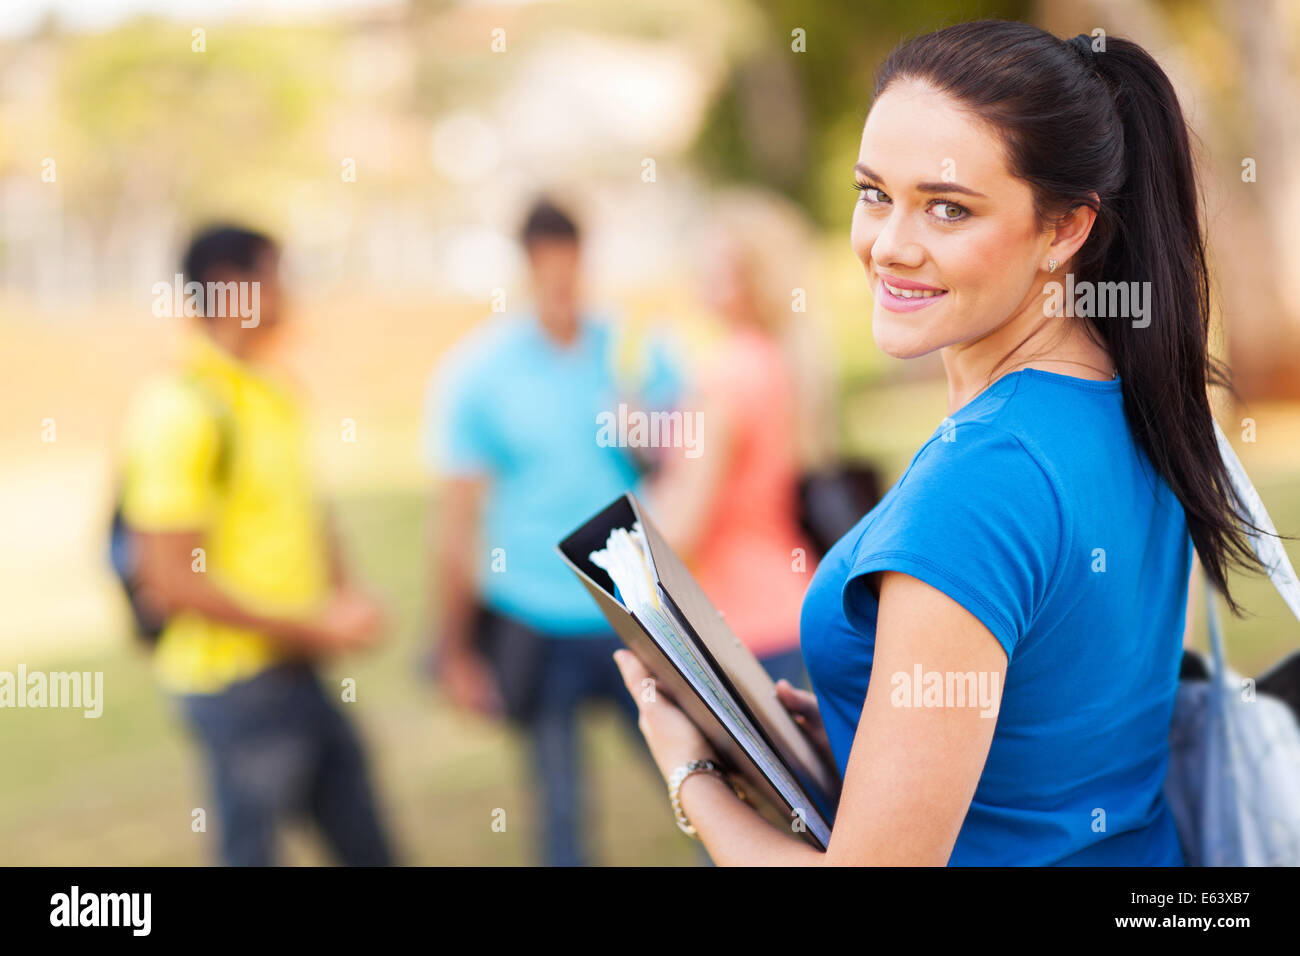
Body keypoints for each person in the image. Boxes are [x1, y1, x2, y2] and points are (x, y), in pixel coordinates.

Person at [613, 21, 1271, 866]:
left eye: (948, 207)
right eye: (874, 193)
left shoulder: (984, 482)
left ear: (1065, 229)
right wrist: (877, 724)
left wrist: (692, 772)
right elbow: (1063, 704)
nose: (890, 245)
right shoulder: (1131, 401)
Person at [120, 225, 395, 866]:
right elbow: (167, 580)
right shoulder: (180, 408)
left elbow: (308, 515)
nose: (288, 293)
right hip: (233, 686)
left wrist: (345, 598)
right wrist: (313, 626)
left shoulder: (273, 391)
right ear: (231, 286)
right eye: (276, 276)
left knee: (368, 844)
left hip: (295, 669)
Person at [422, 198, 680, 867]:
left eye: (572, 265)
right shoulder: (479, 372)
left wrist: (646, 433)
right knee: (559, 806)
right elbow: (455, 519)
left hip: (630, 607)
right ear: (527, 265)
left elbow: (695, 467)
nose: (561, 282)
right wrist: (453, 650)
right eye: (547, 267)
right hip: (533, 615)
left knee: (693, 778)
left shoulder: (635, 352)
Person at [647, 190, 829, 688]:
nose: (699, 275)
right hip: (794, 604)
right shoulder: (783, 362)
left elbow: (682, 529)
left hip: (738, 623)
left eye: (716, 265)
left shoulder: (722, 375)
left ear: (753, 282)